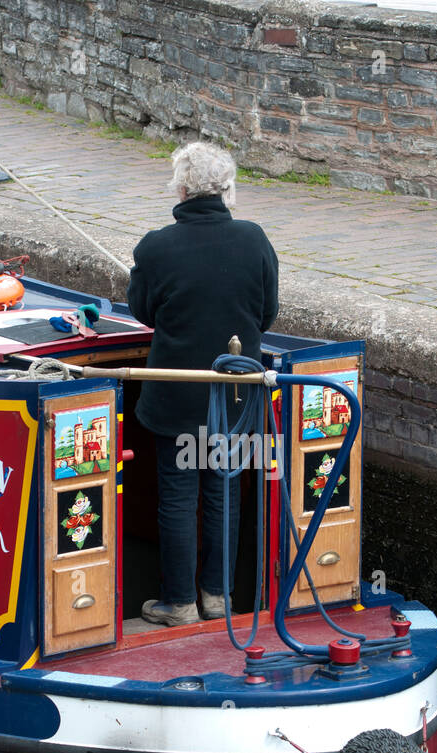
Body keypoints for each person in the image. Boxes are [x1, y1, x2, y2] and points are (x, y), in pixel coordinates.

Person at [127, 142, 279, 626]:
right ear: (227, 188)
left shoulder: (156, 247)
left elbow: (142, 312)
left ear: (183, 188)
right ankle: (218, 598)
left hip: (177, 400)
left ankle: (179, 604)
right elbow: (266, 314)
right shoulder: (255, 240)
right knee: (223, 495)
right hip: (234, 401)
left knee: (176, 496)